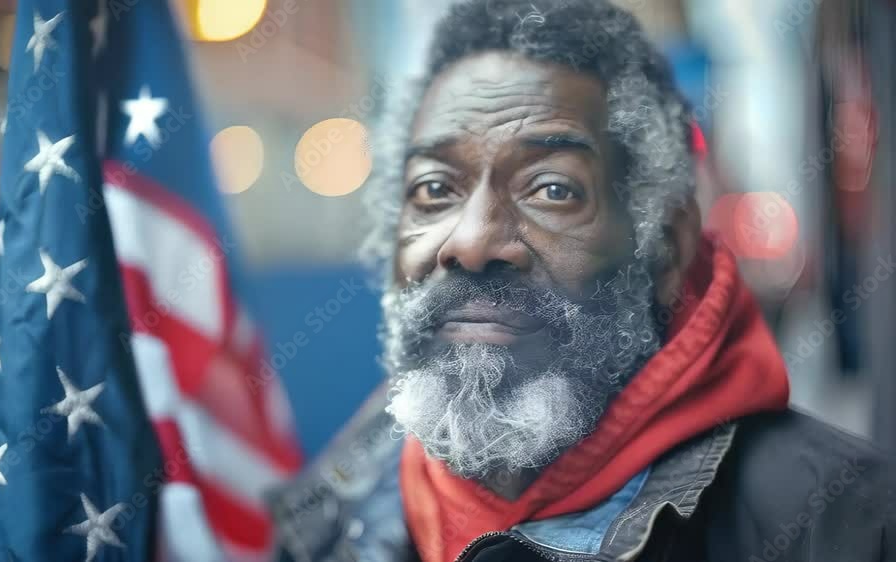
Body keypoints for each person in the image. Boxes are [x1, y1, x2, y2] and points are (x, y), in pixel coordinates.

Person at [268, 1, 896, 560]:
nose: (471, 241)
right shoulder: (328, 511)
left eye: (552, 189)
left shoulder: (843, 520)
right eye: (434, 189)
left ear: (665, 248)